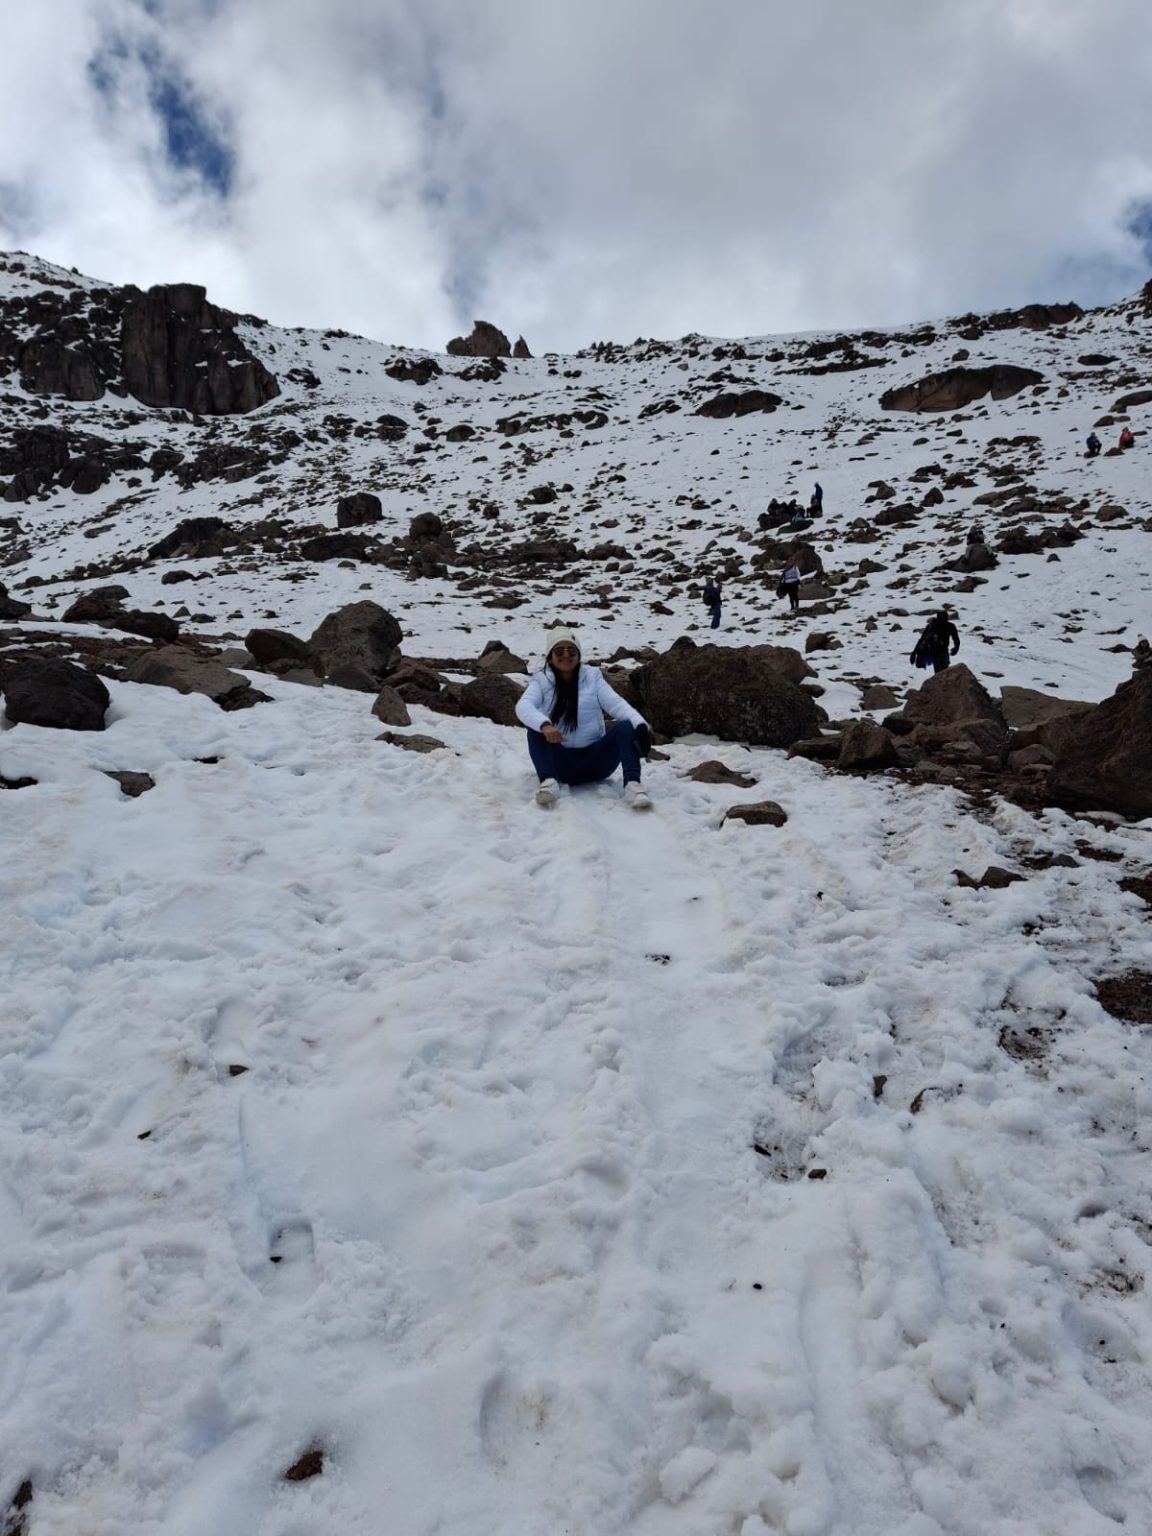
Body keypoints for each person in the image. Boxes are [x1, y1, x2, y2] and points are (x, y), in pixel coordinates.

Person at [515, 626, 653, 809]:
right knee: (535, 729)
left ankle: (633, 786)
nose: (566, 655)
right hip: (560, 765)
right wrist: (545, 725)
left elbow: (617, 705)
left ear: (579, 654)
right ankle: (548, 783)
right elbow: (523, 707)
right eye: (559, 650)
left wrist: (641, 727)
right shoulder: (542, 680)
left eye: (571, 650)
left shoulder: (592, 677)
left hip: (595, 762)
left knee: (625, 726)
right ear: (550, 655)